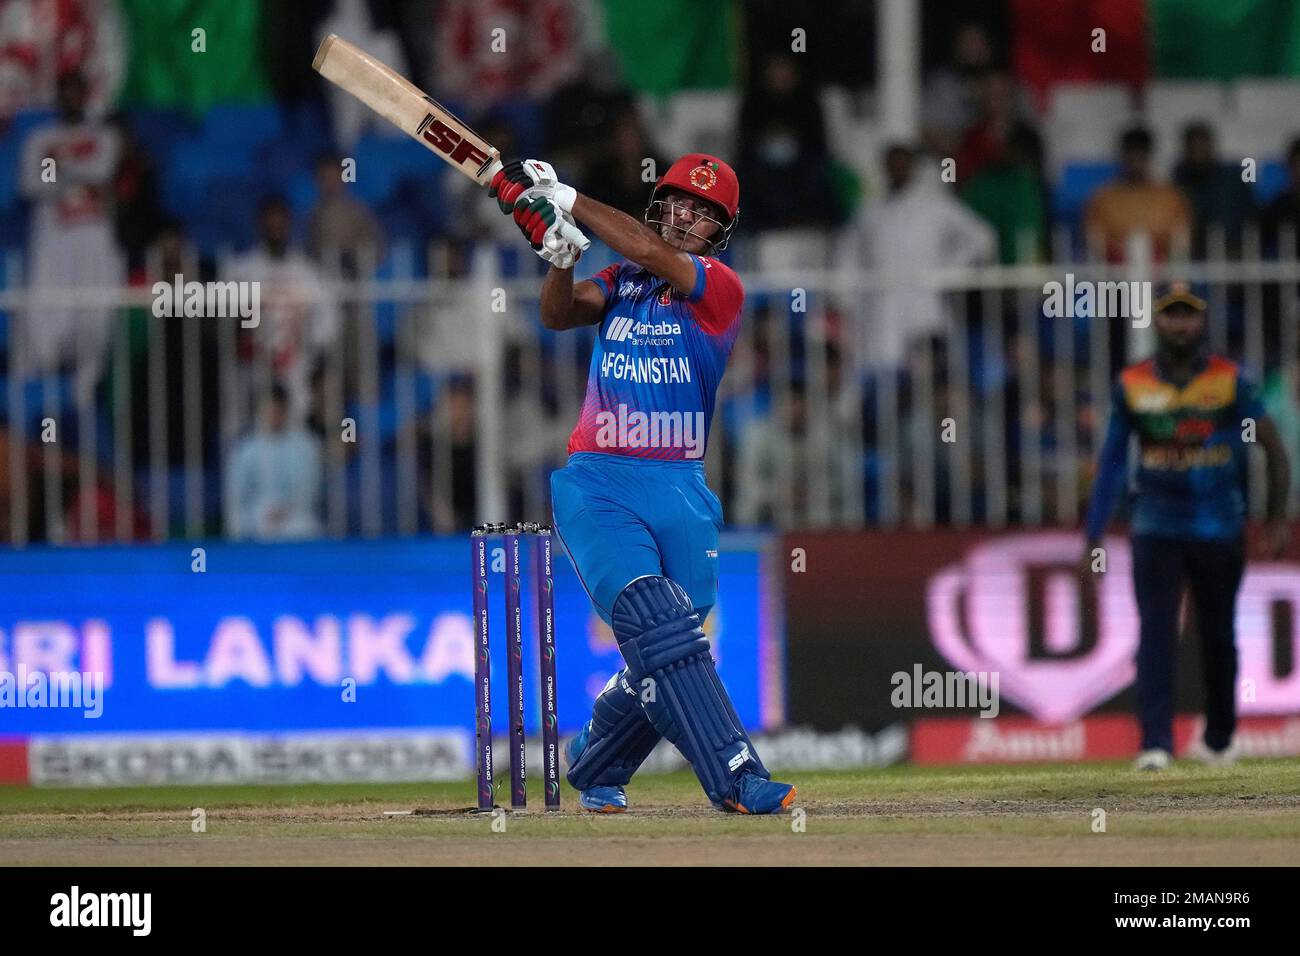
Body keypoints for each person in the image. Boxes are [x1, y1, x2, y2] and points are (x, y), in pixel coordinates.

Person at [486, 154, 797, 814]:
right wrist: (562, 256)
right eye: (680, 202)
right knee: (658, 625)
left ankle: (596, 761)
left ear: (722, 231)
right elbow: (559, 316)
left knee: (671, 645)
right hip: (598, 483)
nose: (689, 216)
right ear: (663, 204)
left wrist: (564, 194)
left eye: (705, 211)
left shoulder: (720, 289)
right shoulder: (620, 280)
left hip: (681, 487)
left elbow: (647, 247)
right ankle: (738, 778)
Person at [1082, 283, 1291, 772]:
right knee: (1155, 633)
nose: (1180, 325)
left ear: (1202, 322)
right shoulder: (1134, 383)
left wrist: (1276, 520)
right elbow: (1112, 464)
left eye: (1189, 315)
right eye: (1171, 315)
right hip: (1155, 526)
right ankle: (1155, 744)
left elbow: (1275, 453)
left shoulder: (1230, 382)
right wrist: (1092, 534)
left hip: (1219, 528)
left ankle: (1219, 741)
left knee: (1219, 634)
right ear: (1157, 321)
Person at [224, 383, 323, 541]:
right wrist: (261, 513)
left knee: (305, 528)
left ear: (286, 411)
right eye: (268, 410)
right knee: (240, 526)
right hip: (257, 518)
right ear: (259, 412)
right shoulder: (245, 450)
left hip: (296, 517)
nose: (272, 416)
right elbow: (237, 495)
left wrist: (285, 510)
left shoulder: (306, 445)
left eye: (277, 411)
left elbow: (310, 488)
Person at [1084, 126, 1191, 263]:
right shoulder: (1103, 199)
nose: (1134, 162)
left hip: (1163, 275)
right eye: (1130, 155)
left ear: (1148, 156)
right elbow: (1095, 241)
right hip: (1114, 276)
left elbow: (1180, 243)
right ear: (1122, 157)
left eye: (1139, 155)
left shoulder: (1171, 198)